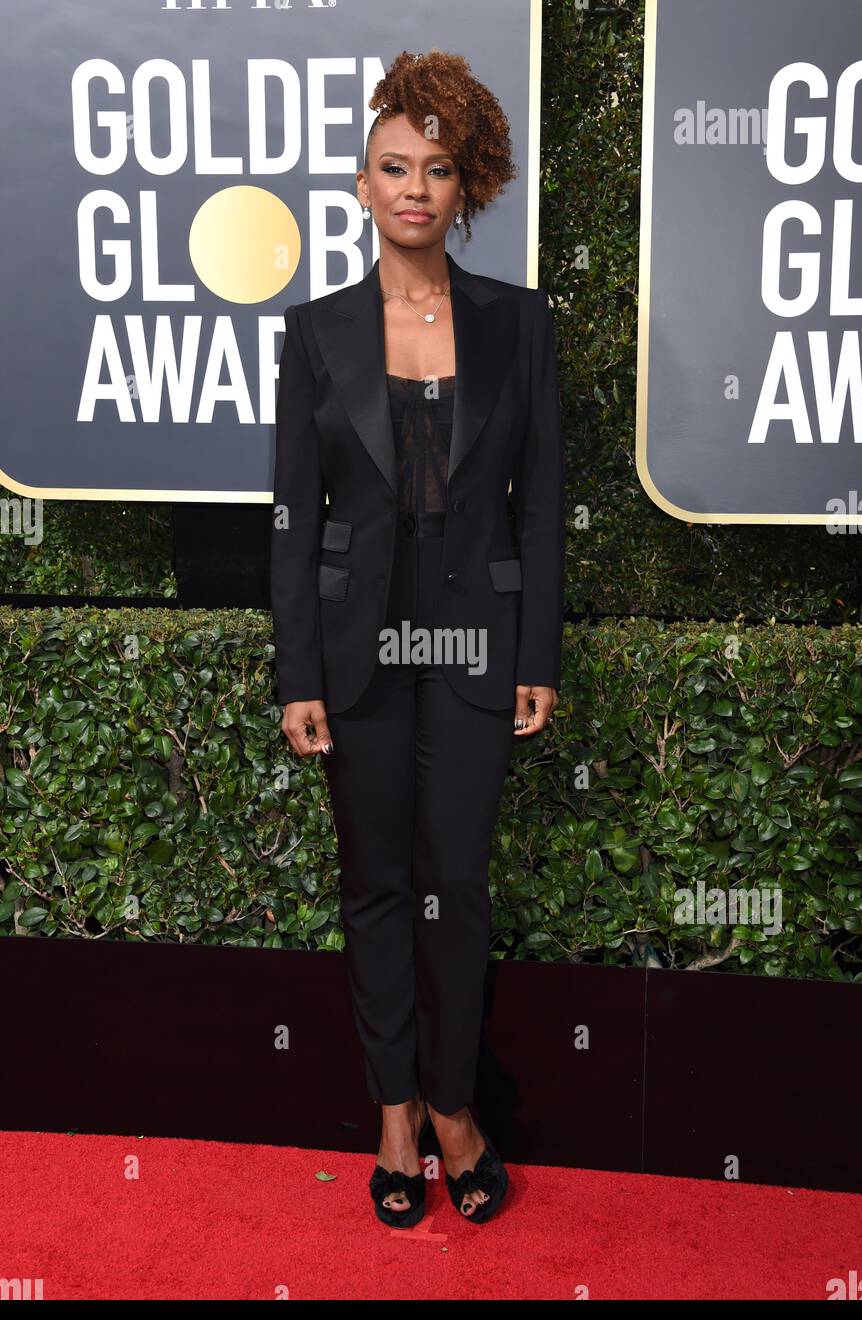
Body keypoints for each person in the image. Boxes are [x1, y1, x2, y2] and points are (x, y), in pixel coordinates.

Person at [271, 49, 565, 1226]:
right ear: (360, 183)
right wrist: (298, 668)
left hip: (476, 647)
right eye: (393, 167)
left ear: (463, 188)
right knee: (375, 882)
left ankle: (454, 1105)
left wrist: (534, 651)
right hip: (357, 653)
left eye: (436, 170)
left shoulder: (517, 323)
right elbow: (292, 515)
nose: (413, 189)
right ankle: (391, 1113)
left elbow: (539, 503)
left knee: (456, 880)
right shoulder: (316, 331)